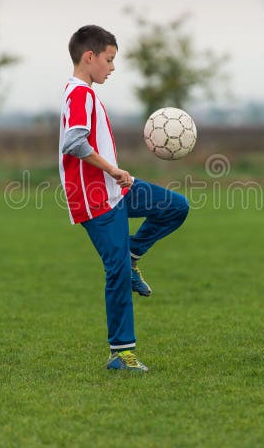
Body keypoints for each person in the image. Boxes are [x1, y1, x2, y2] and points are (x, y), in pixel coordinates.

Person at [58, 25, 189, 372]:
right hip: (94, 196)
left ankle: (133, 255)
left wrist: (115, 176)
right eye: (109, 60)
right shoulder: (79, 95)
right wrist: (113, 170)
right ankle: (121, 353)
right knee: (113, 271)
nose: (112, 68)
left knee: (175, 207)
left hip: (114, 189)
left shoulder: (84, 93)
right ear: (90, 57)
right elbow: (73, 143)